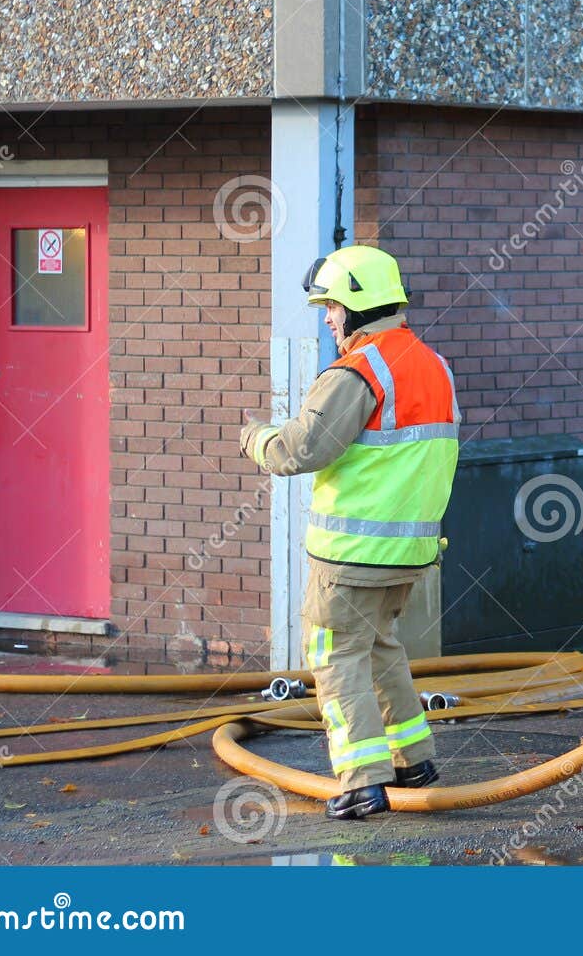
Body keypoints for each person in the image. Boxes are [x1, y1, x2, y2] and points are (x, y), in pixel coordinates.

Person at [240, 245, 459, 820]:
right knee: (381, 650)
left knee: (335, 658)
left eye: (333, 306)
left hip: (352, 556)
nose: (329, 318)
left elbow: (300, 448)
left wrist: (255, 439)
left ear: (359, 304)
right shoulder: (434, 366)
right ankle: (415, 759)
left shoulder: (359, 371)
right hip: (408, 553)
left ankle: (363, 781)